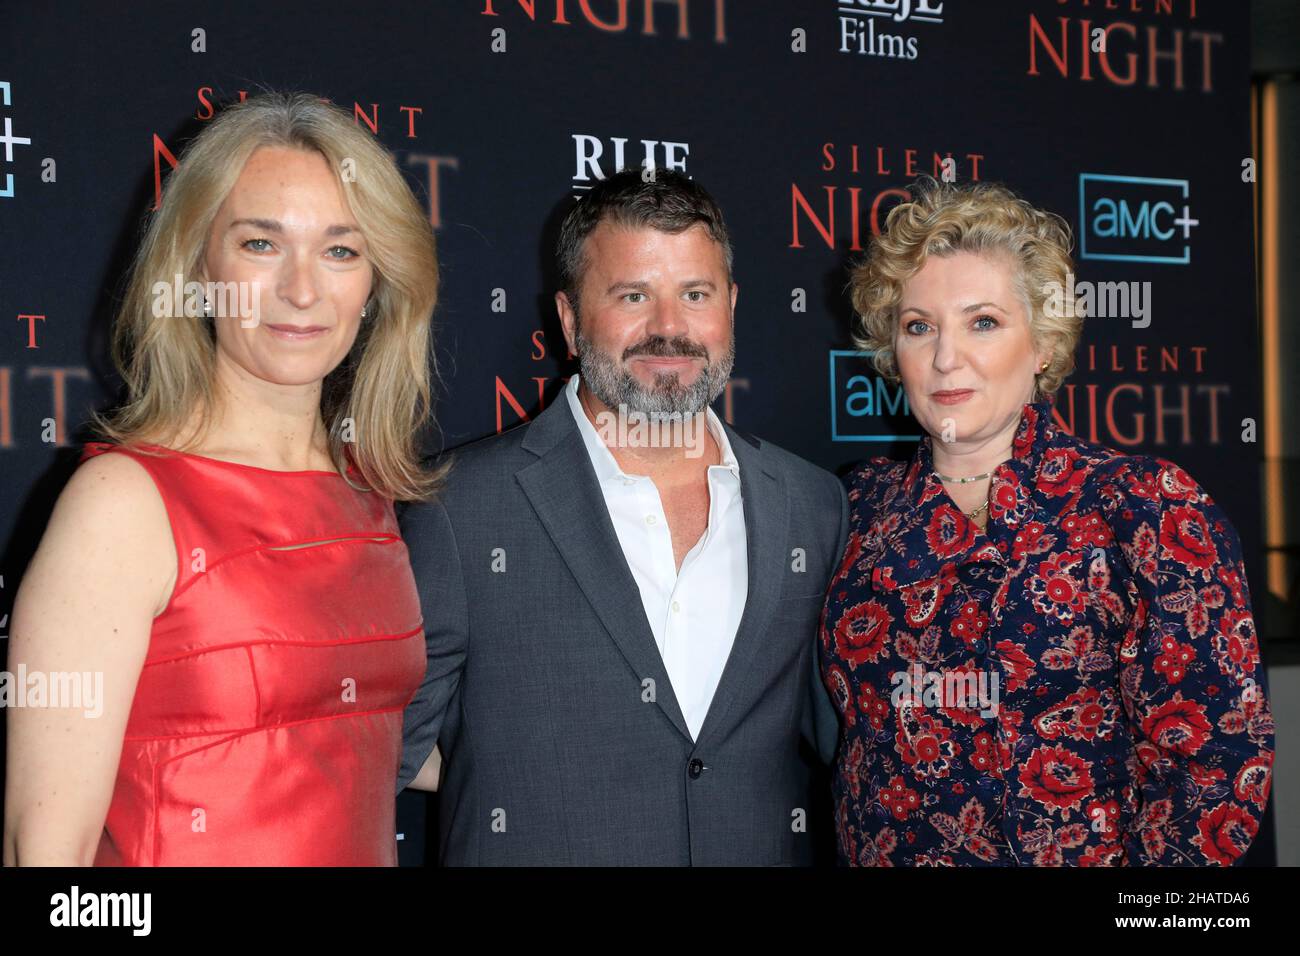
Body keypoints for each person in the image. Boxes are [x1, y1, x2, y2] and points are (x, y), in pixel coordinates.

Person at [3, 92, 444, 866]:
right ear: (196, 265)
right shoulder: (123, 506)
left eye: (341, 250)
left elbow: (357, 749)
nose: (302, 290)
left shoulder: (366, 493)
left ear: (376, 282)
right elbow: (44, 852)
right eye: (261, 245)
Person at [398, 168, 845, 865]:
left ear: (730, 306)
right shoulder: (458, 507)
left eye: (694, 295)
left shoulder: (813, 506)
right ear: (571, 320)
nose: (669, 328)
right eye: (633, 295)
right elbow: (380, 750)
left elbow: (859, 753)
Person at [821, 178, 1275, 866]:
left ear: (1043, 342)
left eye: (983, 322)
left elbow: (1216, 766)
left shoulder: (1143, 506)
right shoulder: (854, 510)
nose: (947, 358)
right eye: (919, 327)